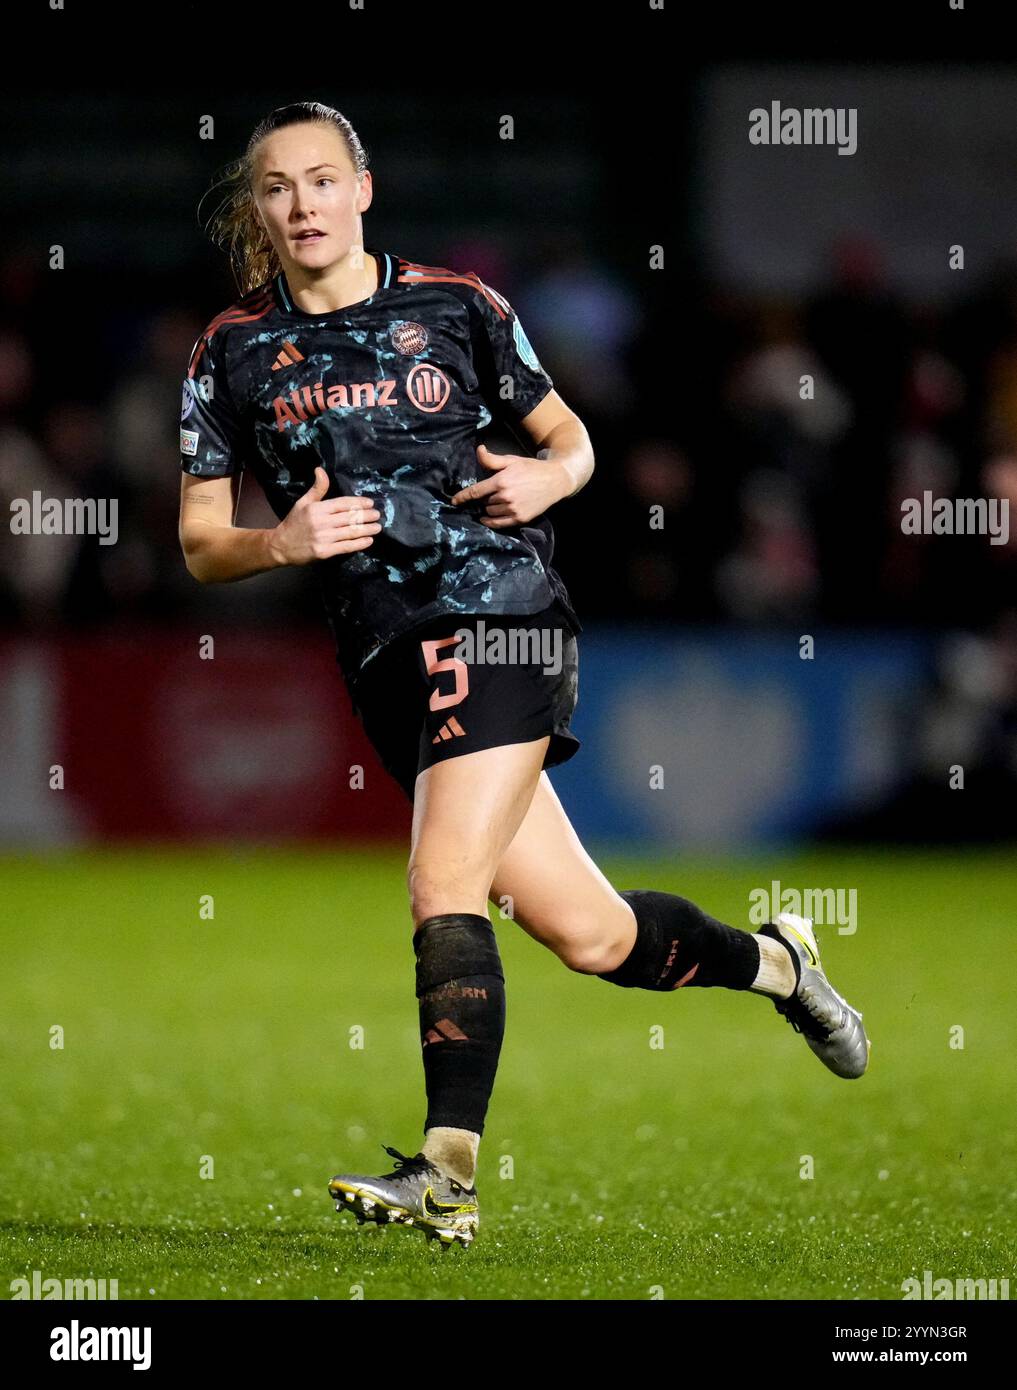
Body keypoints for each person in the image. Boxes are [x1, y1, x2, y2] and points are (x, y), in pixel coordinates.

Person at [177, 101, 869, 1252]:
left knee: (439, 878)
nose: (301, 204)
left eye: (320, 180)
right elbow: (203, 541)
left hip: (500, 617)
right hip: (386, 657)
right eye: (277, 188)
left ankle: (447, 1173)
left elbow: (574, 442)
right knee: (593, 936)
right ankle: (783, 965)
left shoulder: (457, 305)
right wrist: (282, 544)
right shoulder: (232, 352)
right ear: (258, 209)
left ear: (362, 189)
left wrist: (552, 483)